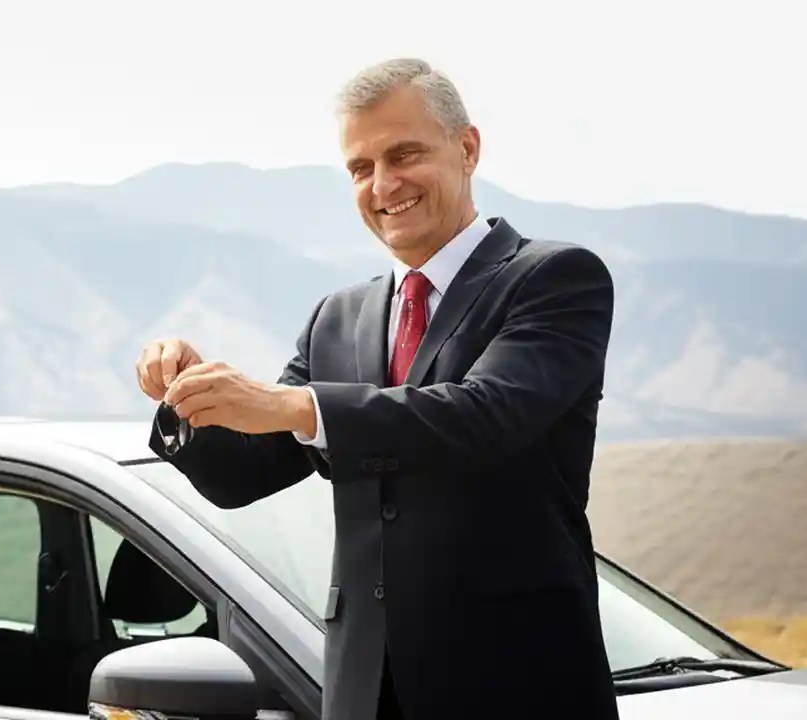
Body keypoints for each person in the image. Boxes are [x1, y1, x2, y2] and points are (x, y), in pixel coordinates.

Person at [136, 58, 620, 720]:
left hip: (517, 685)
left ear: (467, 148)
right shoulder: (337, 318)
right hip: (363, 691)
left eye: (403, 155)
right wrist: (189, 400)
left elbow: (485, 416)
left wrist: (295, 406)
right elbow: (245, 474)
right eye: (360, 169)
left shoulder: (554, 279)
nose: (383, 185)